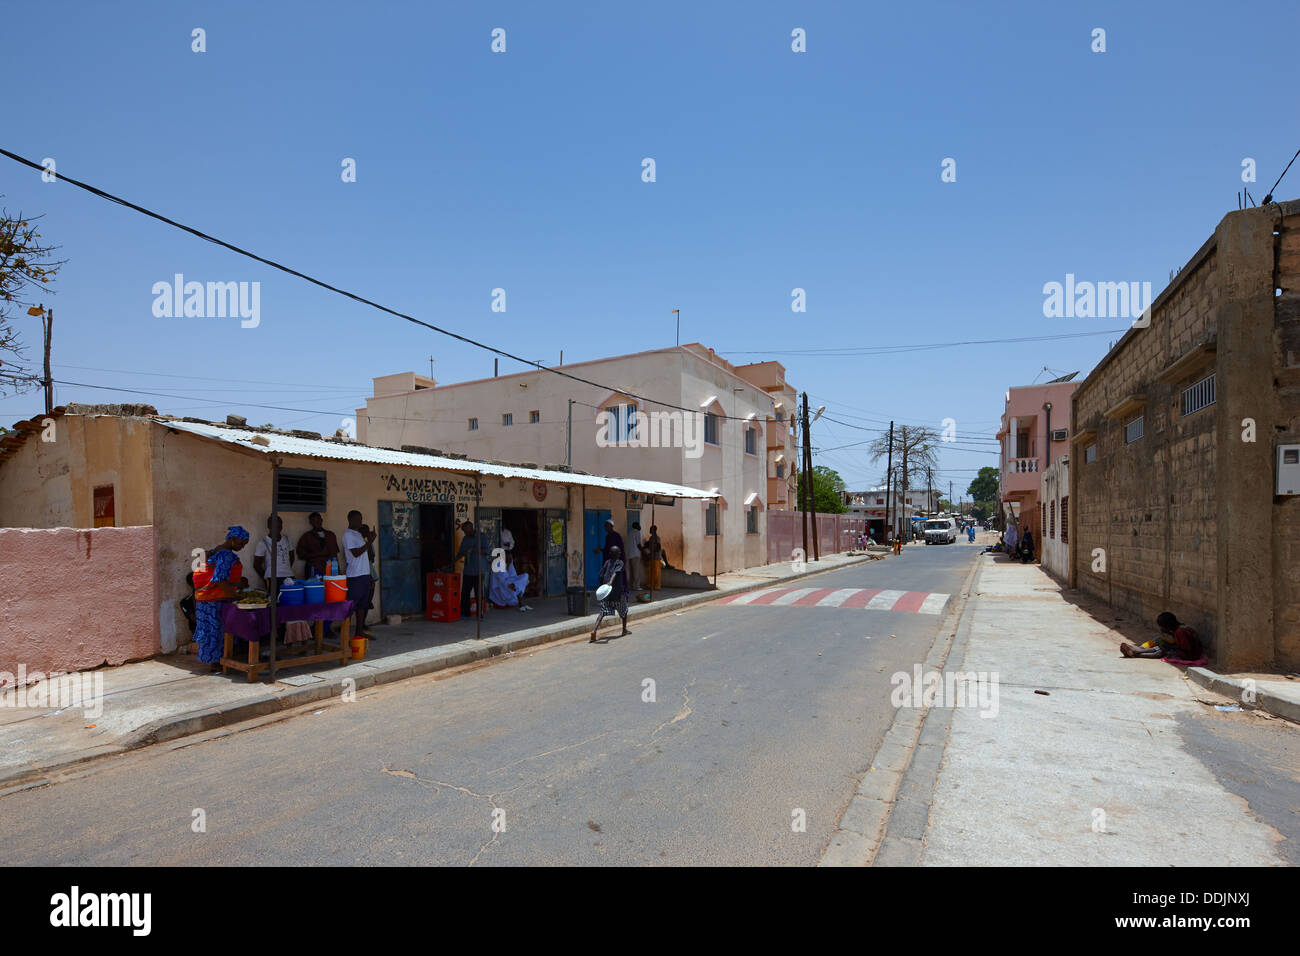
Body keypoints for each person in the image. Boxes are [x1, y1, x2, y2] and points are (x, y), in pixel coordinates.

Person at [194, 526, 250, 672]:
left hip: (205, 601)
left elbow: (216, 577)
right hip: (216, 601)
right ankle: (218, 664)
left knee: (212, 631)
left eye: (245, 544)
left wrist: (238, 583)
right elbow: (219, 580)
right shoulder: (226, 555)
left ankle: (216, 662)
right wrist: (237, 596)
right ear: (231, 540)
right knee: (218, 631)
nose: (242, 547)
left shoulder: (215, 551)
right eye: (241, 543)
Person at [342, 510, 376, 640]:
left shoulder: (357, 534)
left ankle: (359, 631)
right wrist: (370, 541)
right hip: (354, 576)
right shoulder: (347, 535)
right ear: (350, 520)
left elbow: (365, 557)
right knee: (351, 606)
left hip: (364, 574)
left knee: (362, 605)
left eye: (361, 519)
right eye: (357, 519)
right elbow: (356, 553)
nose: (360, 522)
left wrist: (369, 575)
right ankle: (345, 635)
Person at [1121, 611, 1204, 661]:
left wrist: (1171, 647)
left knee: (1162, 650)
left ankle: (1136, 653)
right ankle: (1136, 651)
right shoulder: (1179, 628)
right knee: (1160, 644)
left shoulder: (1180, 631)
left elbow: (1186, 648)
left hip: (1189, 655)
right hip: (1186, 651)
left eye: (1162, 627)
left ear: (1168, 626)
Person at [590, 544, 629, 641]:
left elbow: (600, 574)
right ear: (617, 554)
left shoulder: (607, 562)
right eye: (619, 551)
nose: (620, 552)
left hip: (607, 593)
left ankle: (594, 631)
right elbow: (616, 572)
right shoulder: (620, 562)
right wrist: (610, 583)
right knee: (624, 611)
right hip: (617, 592)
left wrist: (603, 586)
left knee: (602, 612)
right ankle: (624, 630)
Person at [456, 521, 489, 618]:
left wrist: (474, 550)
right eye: (464, 531)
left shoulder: (481, 537)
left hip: (479, 570)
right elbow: (460, 553)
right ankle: (465, 613)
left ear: (471, 528)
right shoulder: (465, 538)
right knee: (465, 592)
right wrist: (452, 561)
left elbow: (486, 551)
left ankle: (480, 613)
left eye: (466, 531)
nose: (465, 533)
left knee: (479, 593)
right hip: (468, 570)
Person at [254, 515, 295, 590]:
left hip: (289, 575)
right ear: (269, 526)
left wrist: (285, 568)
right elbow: (256, 564)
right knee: (274, 600)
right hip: (271, 577)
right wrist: (266, 577)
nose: (277, 528)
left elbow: (292, 557)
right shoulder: (263, 542)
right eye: (275, 525)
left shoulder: (287, 539)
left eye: (279, 525)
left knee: (290, 598)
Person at [297, 512, 340, 577]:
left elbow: (335, 555)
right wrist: (319, 554)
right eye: (314, 521)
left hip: (331, 569)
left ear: (322, 520)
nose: (317, 522)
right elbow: (301, 555)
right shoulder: (306, 537)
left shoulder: (331, 535)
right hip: (314, 568)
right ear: (310, 522)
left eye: (318, 520)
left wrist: (338, 570)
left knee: (330, 586)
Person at [593, 519, 628, 598]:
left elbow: (620, 549)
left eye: (607, 525)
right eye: (605, 526)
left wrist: (623, 561)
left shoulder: (616, 536)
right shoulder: (608, 536)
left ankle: (622, 595)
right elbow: (608, 549)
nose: (605, 527)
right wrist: (601, 550)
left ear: (611, 526)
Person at [642, 524, 663, 591]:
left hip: (656, 557)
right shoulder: (651, 538)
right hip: (652, 557)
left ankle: (657, 586)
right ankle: (650, 585)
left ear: (654, 530)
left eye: (651, 529)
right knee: (651, 572)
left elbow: (658, 547)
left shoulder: (657, 538)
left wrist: (651, 553)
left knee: (656, 573)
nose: (649, 530)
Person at [627, 521, 644, 590]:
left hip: (630, 555)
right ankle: (637, 586)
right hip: (636, 554)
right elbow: (638, 544)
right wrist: (644, 551)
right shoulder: (637, 532)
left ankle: (631, 586)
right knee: (636, 571)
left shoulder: (630, 533)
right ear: (636, 526)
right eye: (639, 525)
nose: (640, 526)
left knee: (632, 571)